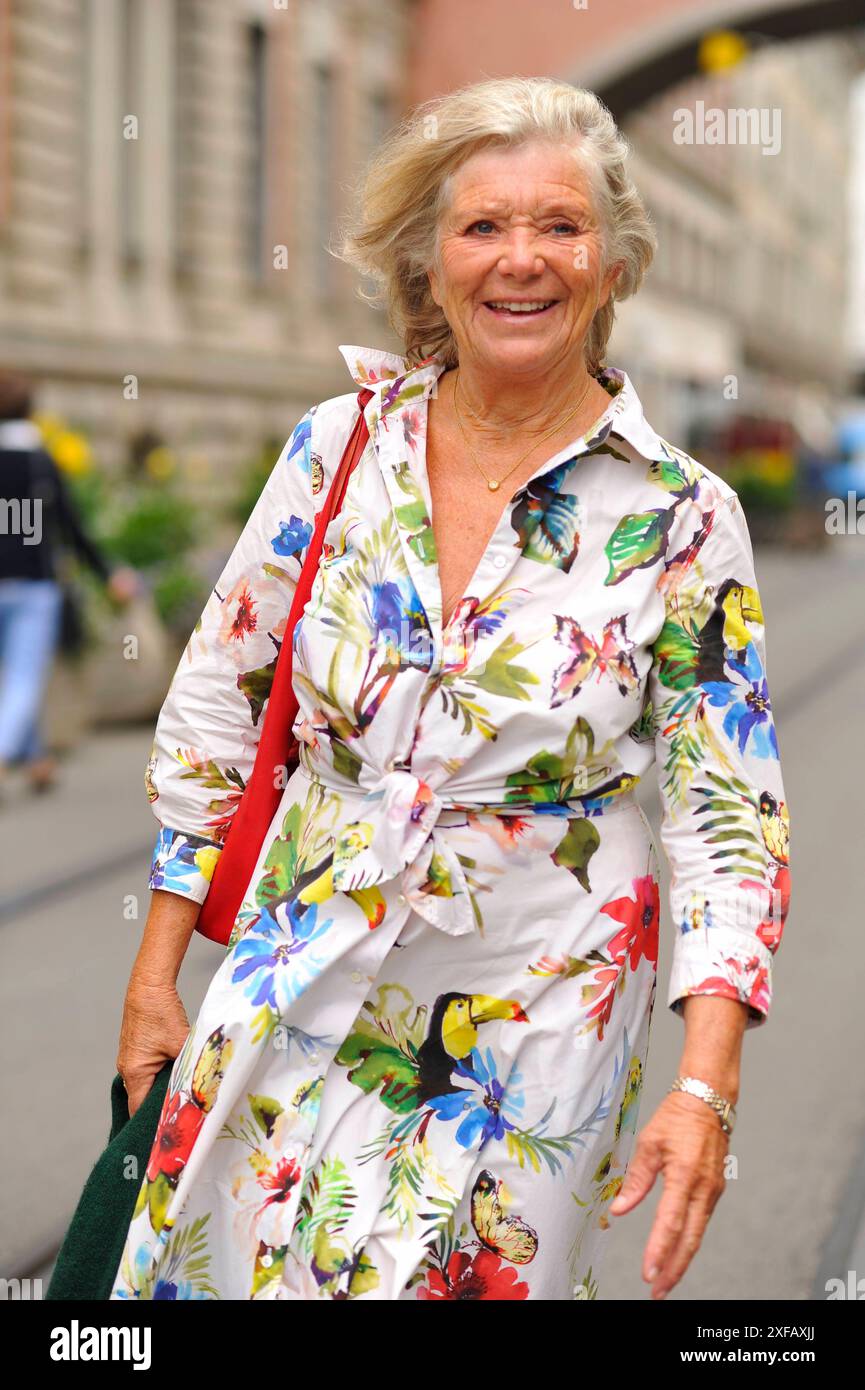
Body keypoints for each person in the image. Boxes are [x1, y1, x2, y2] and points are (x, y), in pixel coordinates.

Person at [110, 77, 790, 1301]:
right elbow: (217, 701)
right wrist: (156, 973)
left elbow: (725, 818)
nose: (519, 261)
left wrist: (703, 1084)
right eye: (482, 227)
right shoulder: (339, 447)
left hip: (533, 1020)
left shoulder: (685, 516)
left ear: (615, 264)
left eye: (560, 227)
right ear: (427, 264)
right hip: (296, 963)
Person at [0, 370, 138, 794]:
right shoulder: (41, 461)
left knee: (12, 676)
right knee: (24, 675)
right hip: (33, 586)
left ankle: (37, 758)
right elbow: (71, 529)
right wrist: (108, 573)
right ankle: (7, 752)